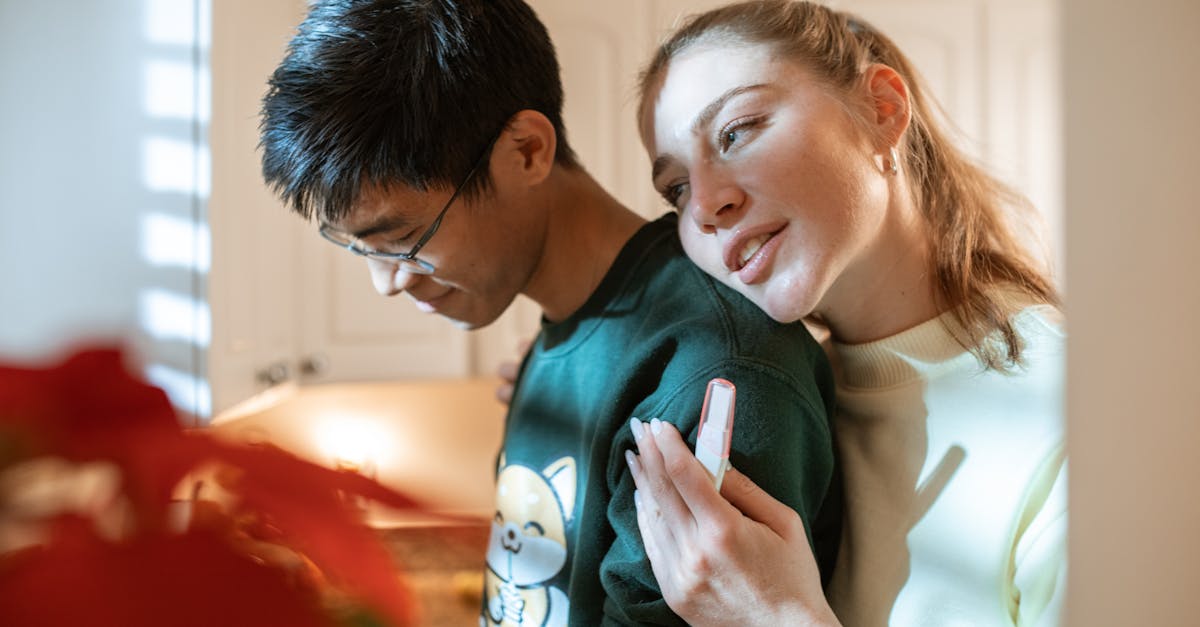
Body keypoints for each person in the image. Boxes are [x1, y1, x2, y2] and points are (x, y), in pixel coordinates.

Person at [258, 1, 841, 624]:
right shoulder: (563, 336)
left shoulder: (716, 376)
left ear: (527, 151)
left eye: (404, 240)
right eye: (356, 247)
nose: (387, 283)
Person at [623, 1, 1067, 626]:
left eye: (736, 131)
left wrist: (777, 616)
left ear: (882, 112)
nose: (704, 206)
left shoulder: (1073, 425)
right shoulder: (779, 401)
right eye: (676, 188)